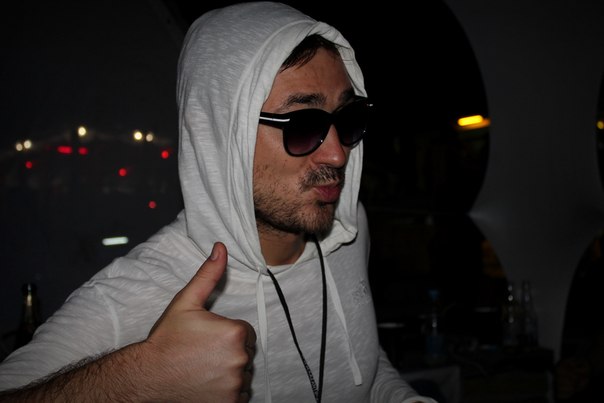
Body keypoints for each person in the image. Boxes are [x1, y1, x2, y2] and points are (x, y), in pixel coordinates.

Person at [0, 2, 436, 402]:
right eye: (304, 125)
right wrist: (140, 378)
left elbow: (359, 359)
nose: (338, 154)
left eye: (348, 118)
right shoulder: (138, 292)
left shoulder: (346, 227)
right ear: (219, 134)